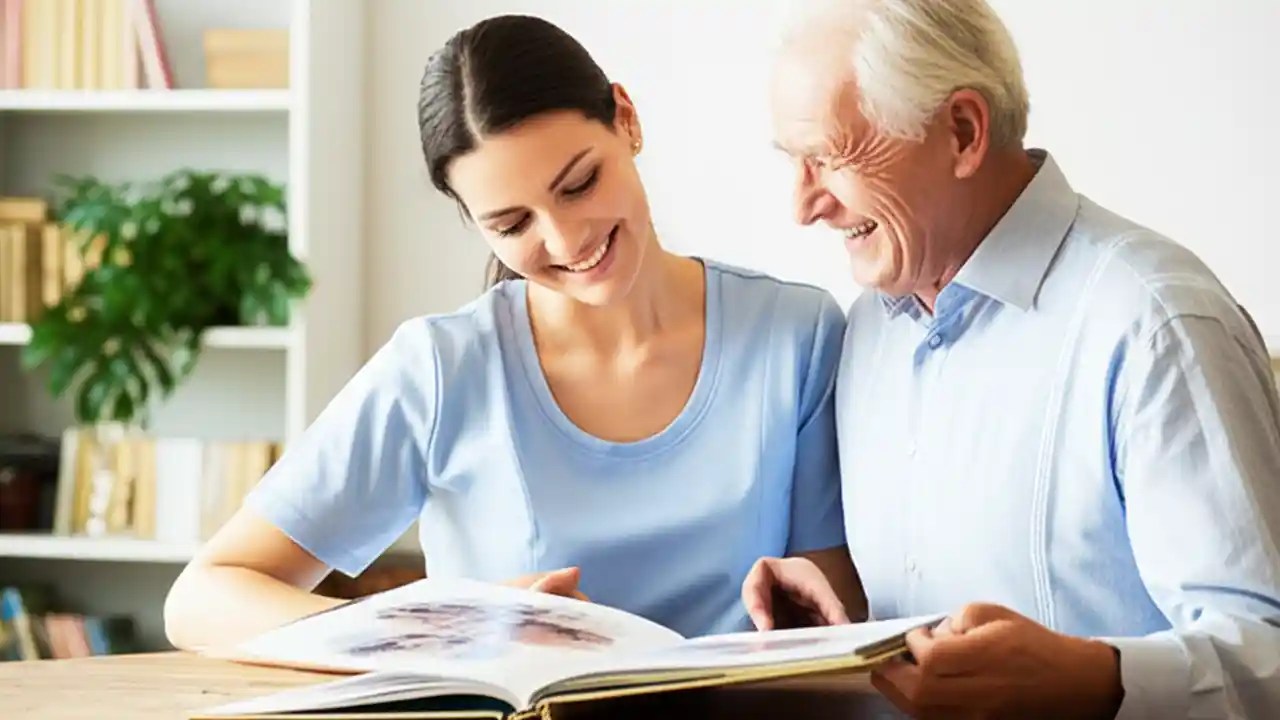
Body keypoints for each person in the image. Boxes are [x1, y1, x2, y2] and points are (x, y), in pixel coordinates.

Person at [163, 14, 864, 651]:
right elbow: (202, 598)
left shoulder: (793, 336)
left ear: (626, 120)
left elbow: (838, 616)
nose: (565, 239)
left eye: (579, 183)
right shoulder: (441, 369)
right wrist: (437, 625)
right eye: (511, 224)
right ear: (472, 222)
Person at [743, 1, 1280, 718]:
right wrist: (841, 618)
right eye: (793, 162)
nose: (804, 206)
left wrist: (1095, 679)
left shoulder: (1154, 323)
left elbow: (1267, 658)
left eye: (830, 158)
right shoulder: (871, 329)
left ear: (962, 132)